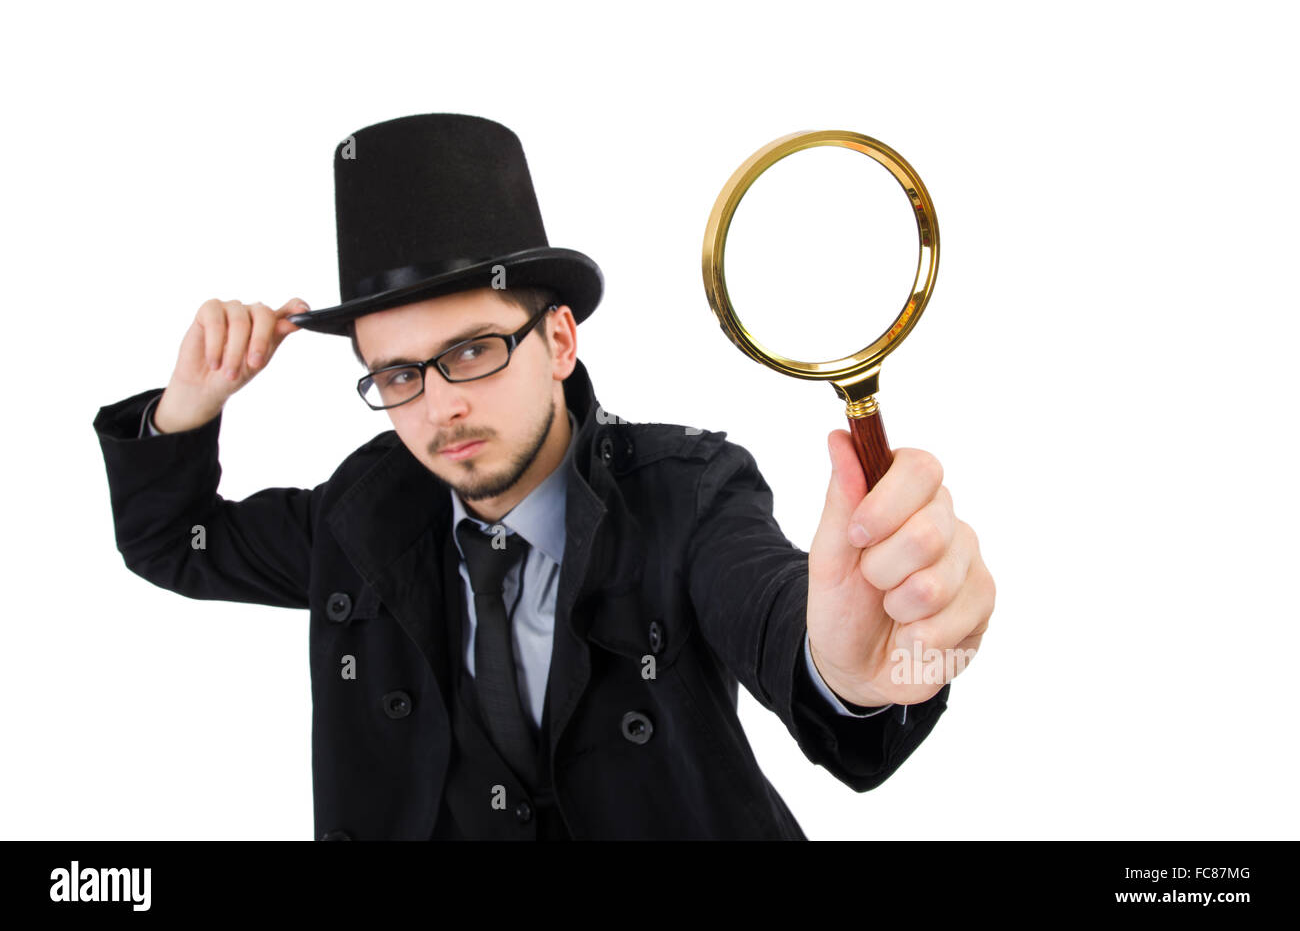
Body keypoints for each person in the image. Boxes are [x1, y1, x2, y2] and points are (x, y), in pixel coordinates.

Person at [92, 113, 996, 840]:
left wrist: (852, 669)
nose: (438, 407)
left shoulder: (688, 489)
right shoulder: (359, 516)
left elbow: (769, 605)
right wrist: (187, 409)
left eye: (474, 350)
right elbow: (174, 543)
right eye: (399, 374)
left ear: (559, 340)